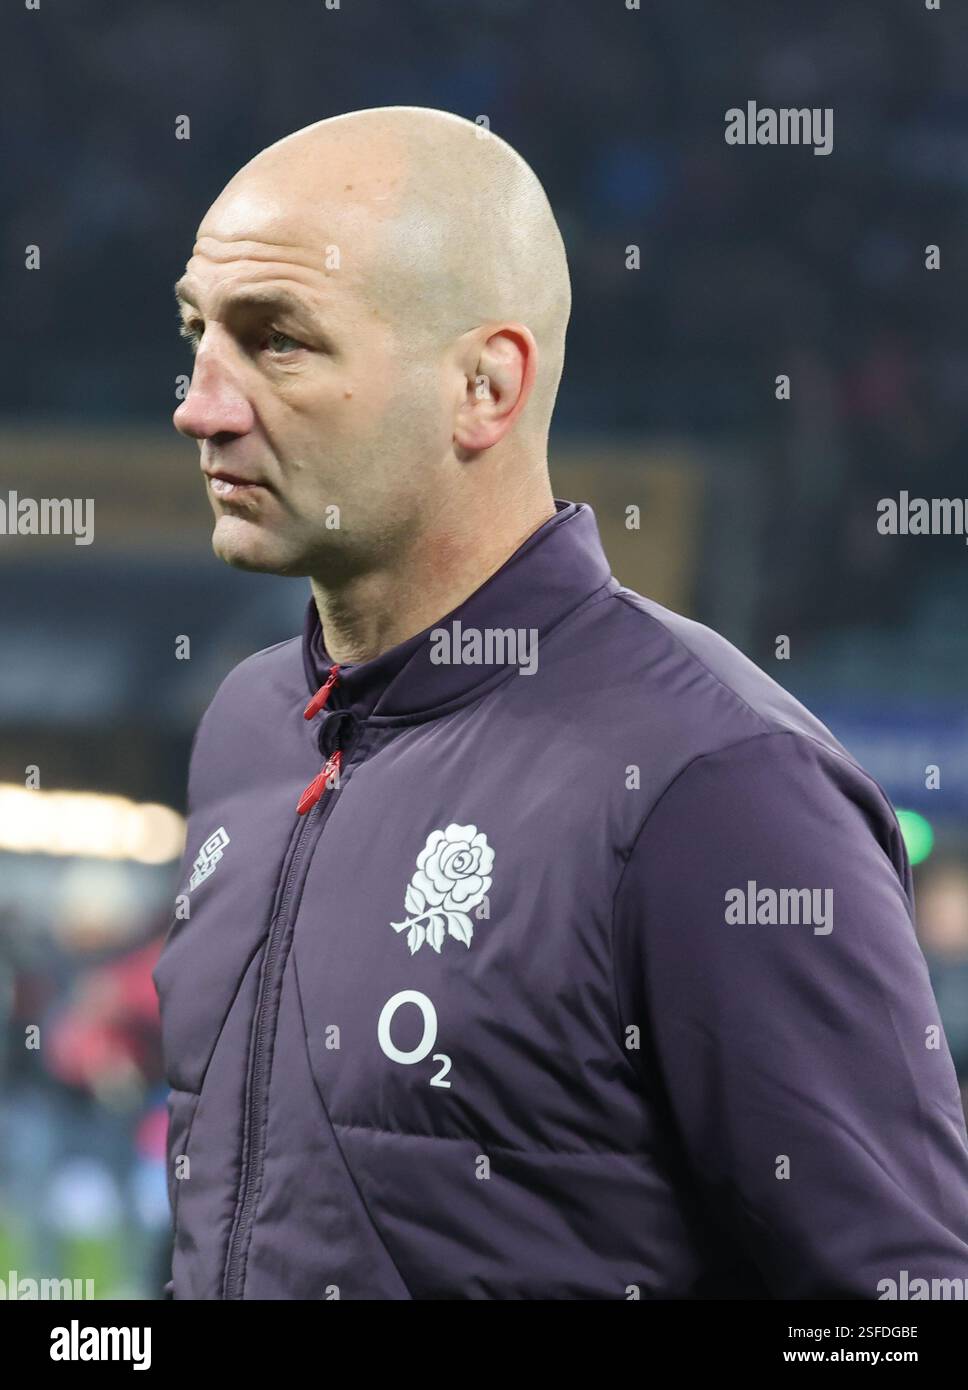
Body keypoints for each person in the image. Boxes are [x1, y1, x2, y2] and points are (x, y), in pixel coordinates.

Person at [155, 105, 968, 1299]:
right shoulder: (245, 725)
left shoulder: (718, 786)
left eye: (276, 341)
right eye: (196, 336)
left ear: (484, 386)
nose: (201, 405)